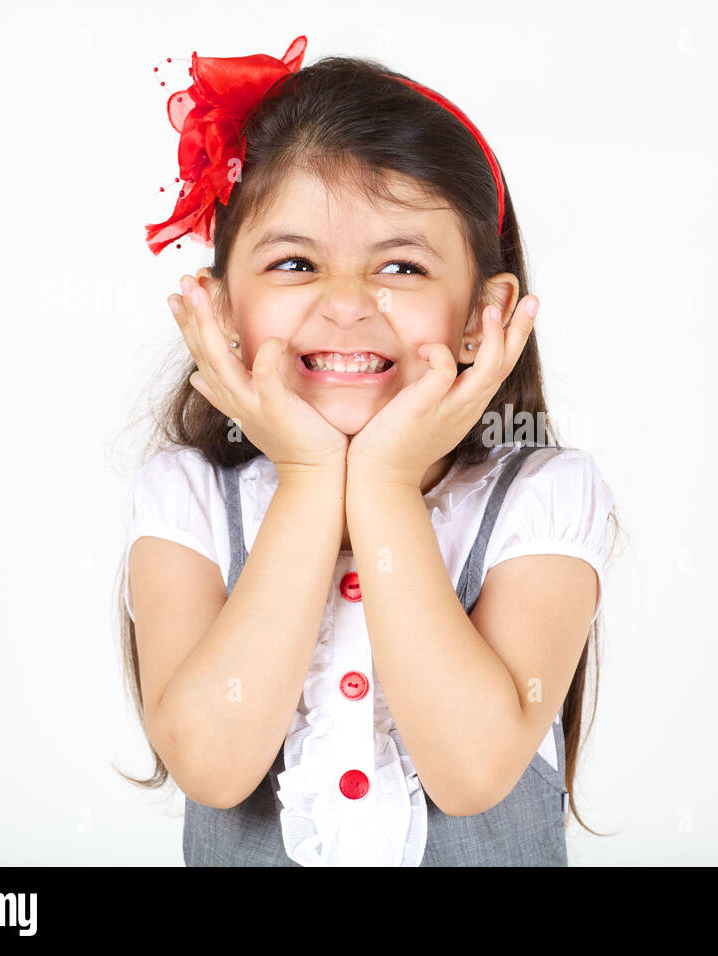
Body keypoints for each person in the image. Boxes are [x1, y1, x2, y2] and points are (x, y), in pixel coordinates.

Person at [115, 36, 620, 866]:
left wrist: (381, 486)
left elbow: (472, 772)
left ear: (480, 316)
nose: (347, 303)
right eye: (293, 262)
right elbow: (210, 763)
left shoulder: (547, 496)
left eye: (400, 264)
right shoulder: (185, 498)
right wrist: (314, 481)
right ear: (221, 308)